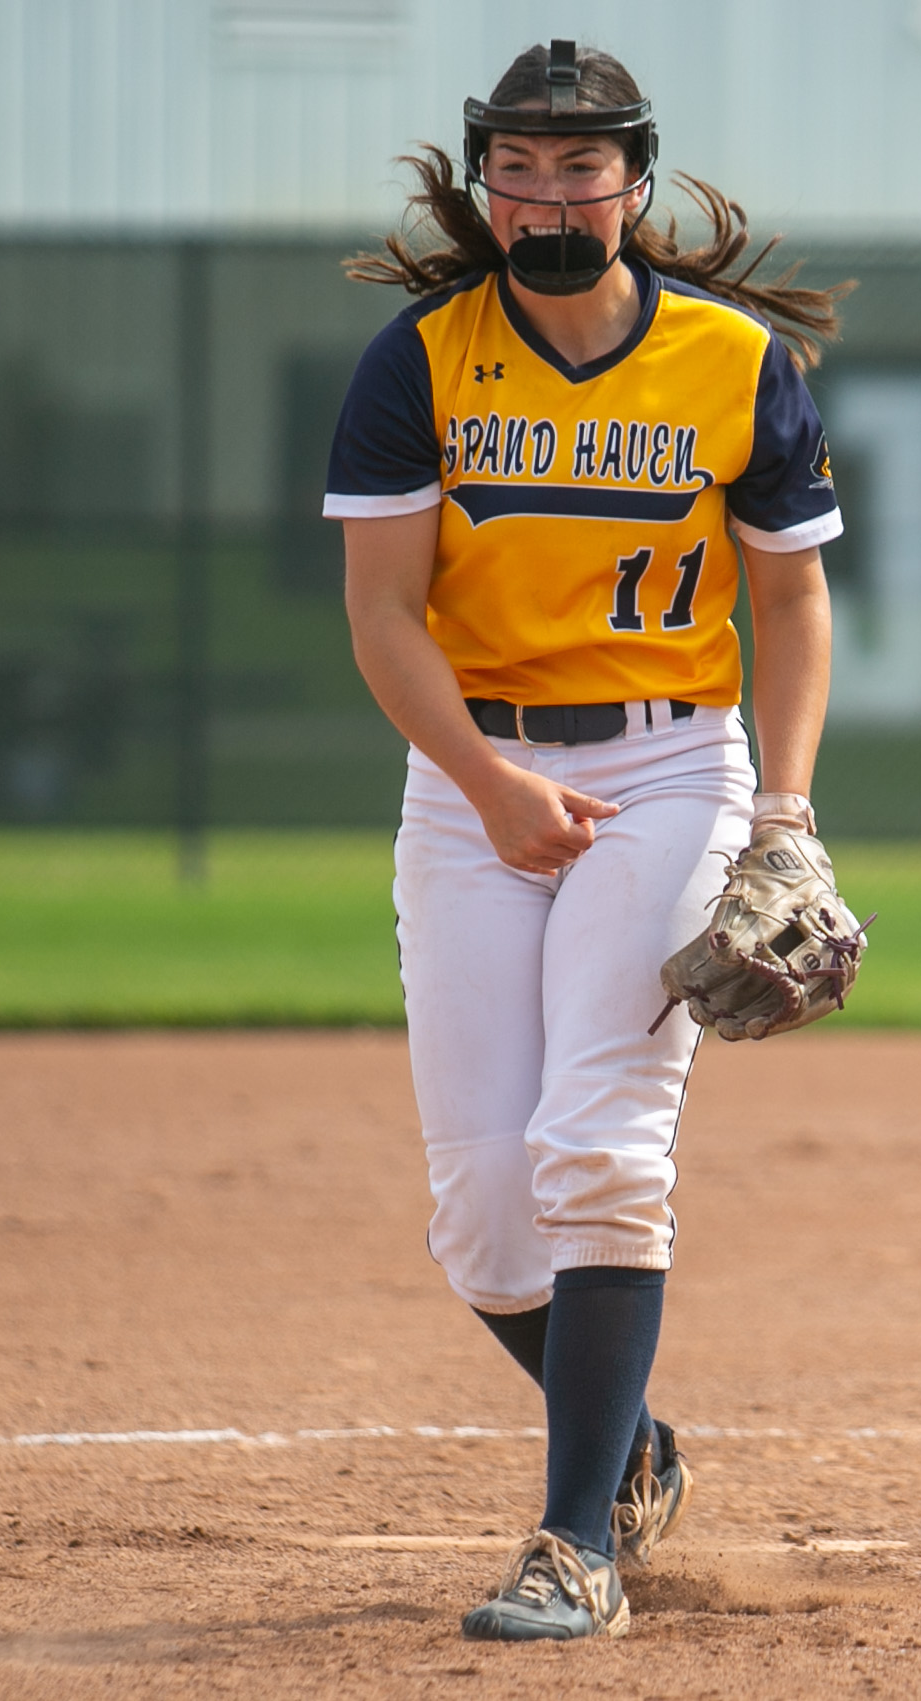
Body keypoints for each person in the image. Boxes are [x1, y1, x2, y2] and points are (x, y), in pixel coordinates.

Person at [327, 40, 849, 1642]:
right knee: (484, 1215)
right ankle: (627, 1442)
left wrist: (786, 816)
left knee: (599, 1146)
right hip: (470, 776)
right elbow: (381, 615)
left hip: (672, 767)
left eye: (581, 165)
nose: (548, 193)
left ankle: (574, 1545)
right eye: (521, 165)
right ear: (484, 177)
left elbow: (789, 594)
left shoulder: (729, 361)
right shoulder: (422, 360)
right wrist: (488, 784)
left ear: (635, 175)